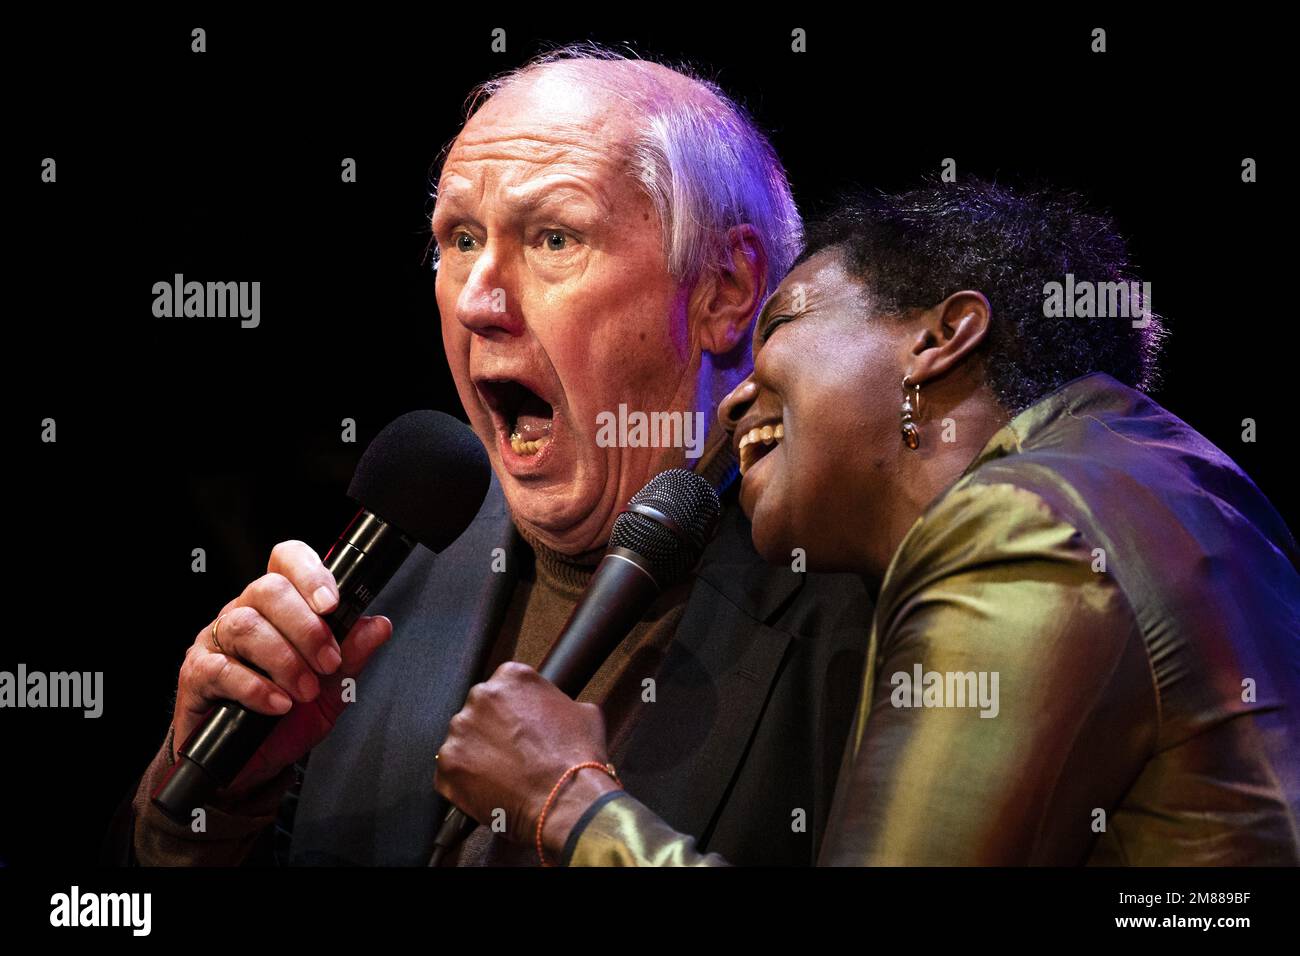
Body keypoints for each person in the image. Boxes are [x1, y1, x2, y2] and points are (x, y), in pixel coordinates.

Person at [103, 44, 875, 867]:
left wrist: (584, 820)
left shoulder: (858, 608)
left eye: (552, 238)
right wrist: (213, 804)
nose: (478, 300)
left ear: (725, 289)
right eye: (461, 239)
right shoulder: (393, 574)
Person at [432, 178, 1300, 865]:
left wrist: (567, 801)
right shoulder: (1160, 481)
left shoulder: (1021, 526)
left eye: (782, 323)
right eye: (456, 241)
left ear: (942, 337)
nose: (738, 398)